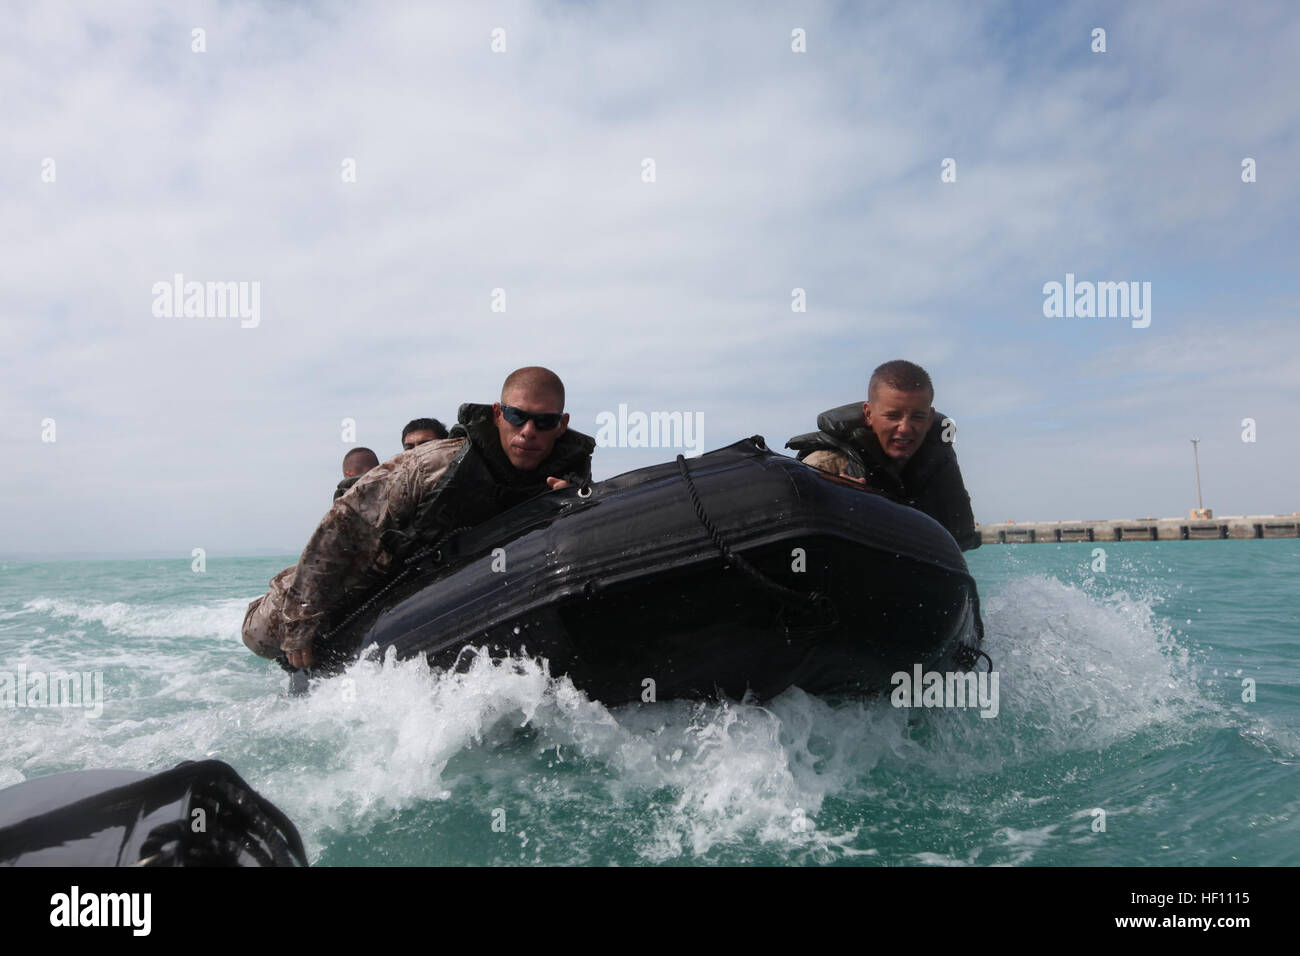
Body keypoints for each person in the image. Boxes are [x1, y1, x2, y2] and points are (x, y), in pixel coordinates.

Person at [242, 367, 594, 669]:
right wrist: (300, 619)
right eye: (518, 416)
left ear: (561, 425)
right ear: (499, 414)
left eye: (544, 421)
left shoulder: (564, 480)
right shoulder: (434, 464)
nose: (529, 431)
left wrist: (566, 507)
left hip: (429, 593)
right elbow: (343, 525)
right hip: (362, 576)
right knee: (260, 636)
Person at [786, 359, 980, 551]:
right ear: (868, 414)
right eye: (893, 416)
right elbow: (793, 552)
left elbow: (960, 540)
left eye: (918, 417)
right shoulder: (825, 465)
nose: (905, 428)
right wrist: (833, 507)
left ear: (930, 419)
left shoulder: (938, 462)